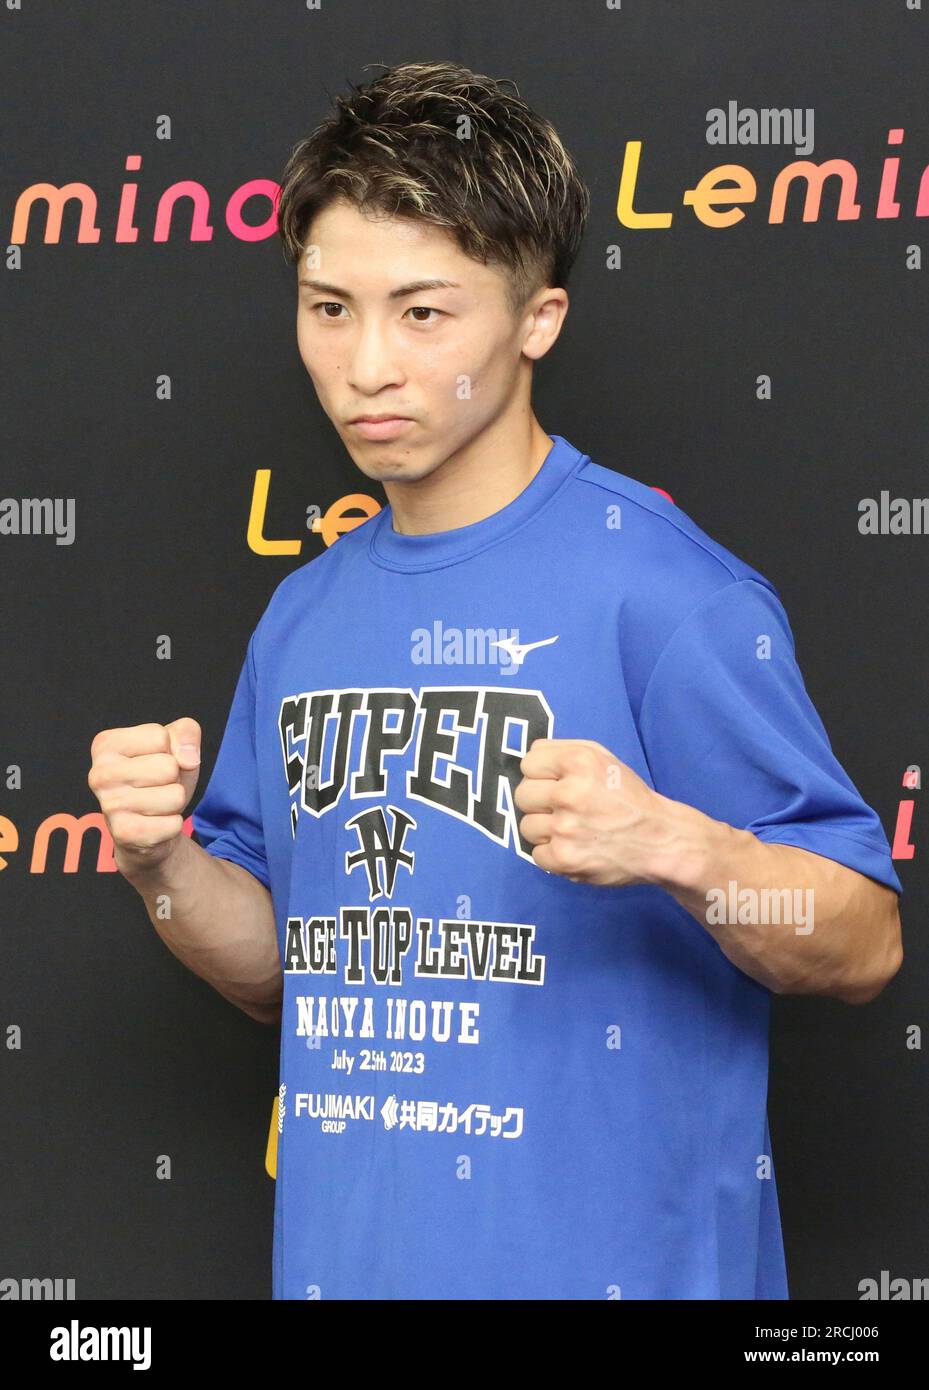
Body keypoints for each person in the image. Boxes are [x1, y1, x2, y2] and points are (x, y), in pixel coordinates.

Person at [87, 60, 903, 1300]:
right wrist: (163, 866)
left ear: (536, 321)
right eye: (326, 307)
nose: (365, 366)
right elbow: (270, 974)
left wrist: (676, 844)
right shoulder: (302, 614)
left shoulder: (668, 594)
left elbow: (861, 943)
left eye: (423, 313)